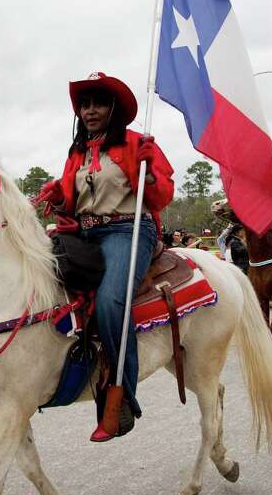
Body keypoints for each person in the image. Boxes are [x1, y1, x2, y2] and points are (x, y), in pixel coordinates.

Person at [35, 71, 174, 442]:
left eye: (98, 103)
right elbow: (71, 199)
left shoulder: (135, 143)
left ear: (113, 108)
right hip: (82, 232)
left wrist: (149, 170)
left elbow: (160, 198)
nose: (90, 110)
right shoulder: (77, 152)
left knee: (113, 302)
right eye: (85, 104)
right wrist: (58, 195)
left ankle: (122, 395)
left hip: (127, 229)